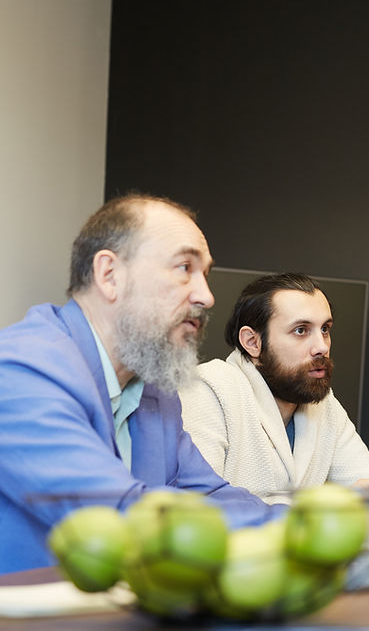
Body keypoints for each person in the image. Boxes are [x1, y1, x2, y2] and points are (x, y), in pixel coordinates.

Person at [0, 194, 279, 575]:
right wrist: (307, 532)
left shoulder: (155, 391)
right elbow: (120, 515)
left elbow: (212, 497)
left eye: (206, 275)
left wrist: (342, 527)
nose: (207, 296)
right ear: (110, 275)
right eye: (184, 267)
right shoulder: (20, 370)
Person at [180, 273, 369, 504]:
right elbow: (199, 505)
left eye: (325, 329)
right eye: (301, 330)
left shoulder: (325, 406)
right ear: (253, 342)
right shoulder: (208, 388)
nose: (321, 347)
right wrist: (333, 505)